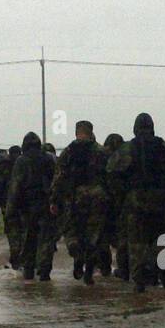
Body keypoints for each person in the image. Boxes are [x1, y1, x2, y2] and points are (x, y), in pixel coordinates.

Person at [108, 113, 165, 292]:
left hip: (136, 200)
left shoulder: (128, 148)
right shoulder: (162, 146)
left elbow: (111, 172)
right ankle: (162, 273)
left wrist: (122, 193)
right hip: (160, 199)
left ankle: (139, 281)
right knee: (161, 239)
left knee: (137, 241)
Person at [50, 120, 110, 284]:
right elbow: (109, 176)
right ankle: (89, 271)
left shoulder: (69, 151)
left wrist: (54, 200)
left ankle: (76, 253)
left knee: (72, 230)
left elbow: (59, 177)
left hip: (74, 197)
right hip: (97, 196)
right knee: (93, 235)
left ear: (77, 132)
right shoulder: (101, 151)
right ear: (91, 132)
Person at [6, 132, 58, 281]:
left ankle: (29, 272)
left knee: (29, 240)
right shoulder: (49, 159)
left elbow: (15, 187)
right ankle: (45, 272)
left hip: (27, 207)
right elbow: (57, 181)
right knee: (46, 240)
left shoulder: (21, 161)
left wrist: (10, 211)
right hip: (46, 205)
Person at [102, 133, 126, 279]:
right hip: (123, 203)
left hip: (108, 204)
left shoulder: (105, 160)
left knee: (105, 238)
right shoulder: (126, 157)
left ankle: (106, 268)